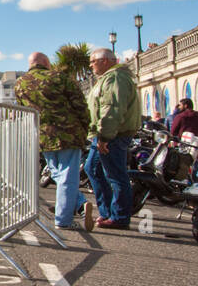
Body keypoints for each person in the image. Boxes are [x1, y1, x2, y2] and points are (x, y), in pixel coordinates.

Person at [14, 52, 90, 230]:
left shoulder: (20, 83)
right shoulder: (59, 78)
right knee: (67, 176)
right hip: (68, 133)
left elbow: (22, 111)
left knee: (57, 173)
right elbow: (80, 105)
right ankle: (63, 219)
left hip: (43, 136)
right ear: (46, 63)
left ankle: (79, 203)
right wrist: (85, 126)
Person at [85, 47, 141, 230]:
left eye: (93, 61)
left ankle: (119, 216)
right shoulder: (109, 78)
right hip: (105, 135)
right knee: (92, 169)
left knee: (116, 175)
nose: (91, 64)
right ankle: (108, 212)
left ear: (105, 61)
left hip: (112, 135)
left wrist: (104, 136)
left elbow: (112, 109)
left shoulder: (115, 78)